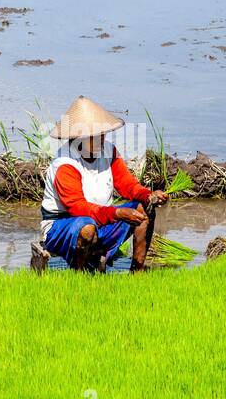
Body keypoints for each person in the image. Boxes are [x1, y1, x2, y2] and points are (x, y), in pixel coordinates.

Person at [31, 96, 169, 273]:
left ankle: (137, 271)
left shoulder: (108, 151)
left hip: (101, 221)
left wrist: (148, 195)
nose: (100, 140)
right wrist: (117, 213)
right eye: (93, 136)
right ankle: (79, 274)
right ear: (78, 137)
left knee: (145, 208)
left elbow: (128, 185)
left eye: (102, 134)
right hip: (63, 227)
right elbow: (78, 209)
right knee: (87, 228)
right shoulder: (65, 164)